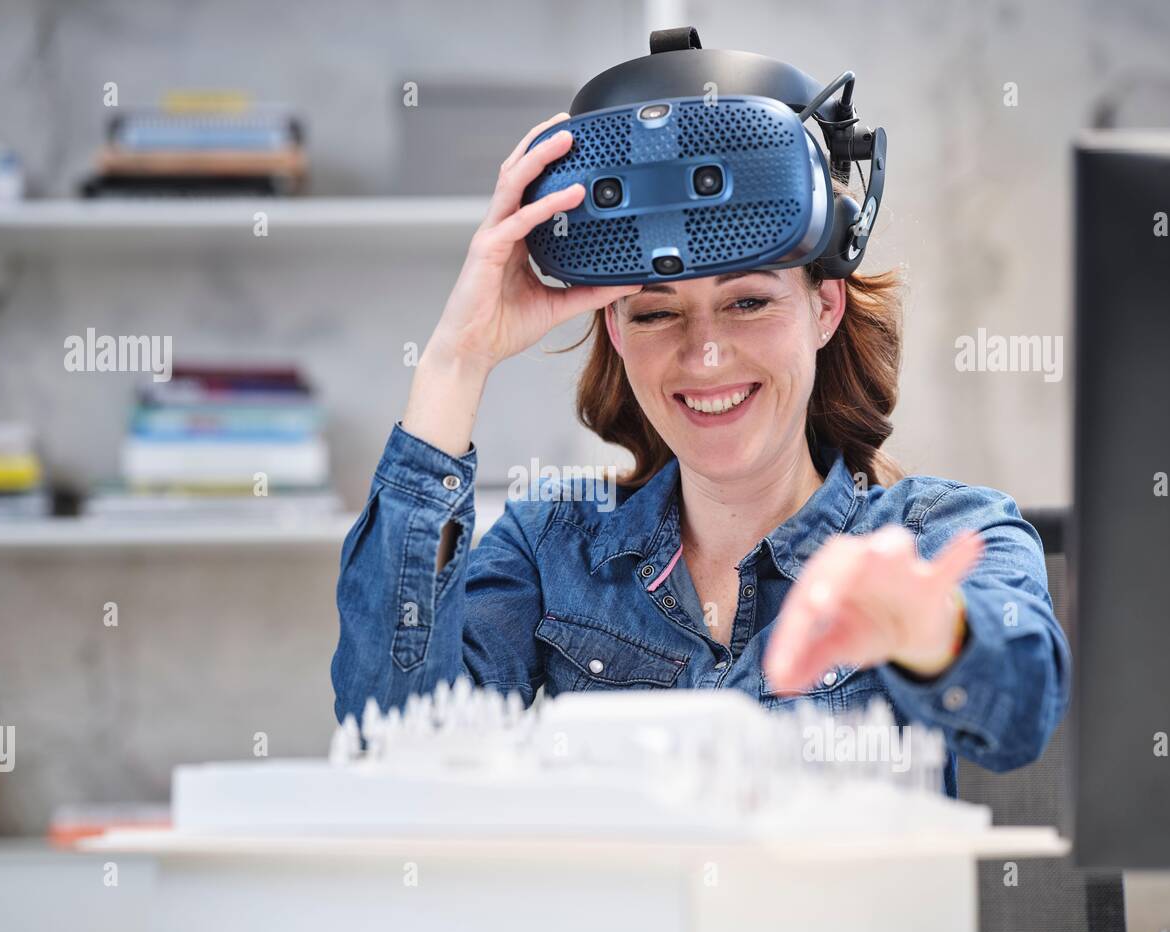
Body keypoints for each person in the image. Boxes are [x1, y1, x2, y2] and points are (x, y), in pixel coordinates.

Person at [331, 112, 1070, 797]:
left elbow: (1023, 712)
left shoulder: (946, 533)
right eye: (655, 311)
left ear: (824, 307)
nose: (706, 354)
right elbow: (391, 750)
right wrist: (455, 364)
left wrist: (925, 627)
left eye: (748, 301)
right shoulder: (549, 546)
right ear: (616, 331)